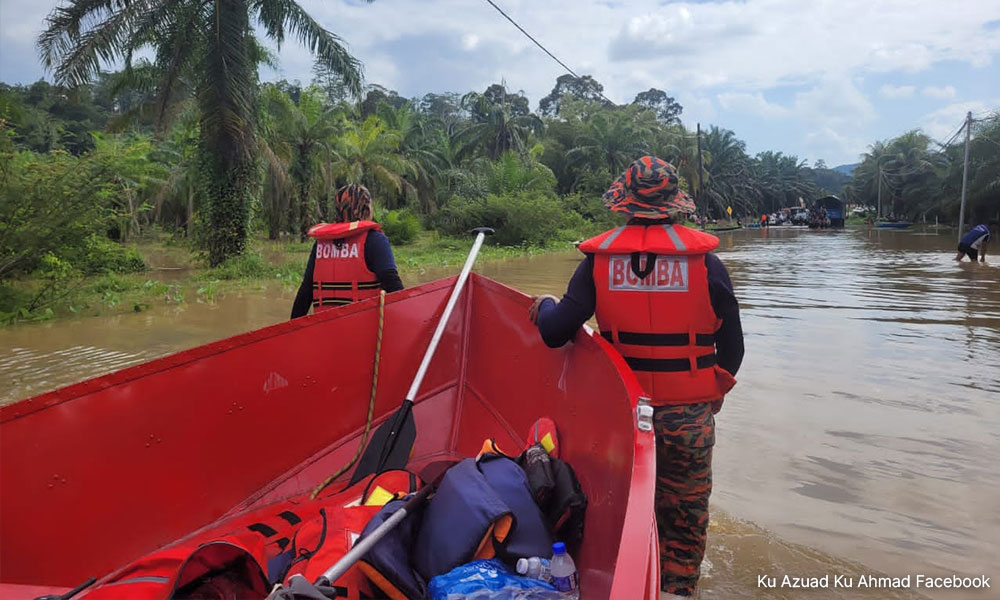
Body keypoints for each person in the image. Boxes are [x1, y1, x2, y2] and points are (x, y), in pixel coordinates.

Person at [527, 156, 744, 598]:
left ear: (624, 204)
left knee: (625, 513)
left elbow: (555, 332)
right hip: (689, 417)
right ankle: (678, 589)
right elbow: (734, 349)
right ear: (674, 204)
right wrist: (709, 390)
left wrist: (546, 303)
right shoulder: (705, 263)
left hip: (627, 420)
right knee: (684, 518)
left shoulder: (598, 260)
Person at [290, 184, 404, 319]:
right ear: (365, 208)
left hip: (326, 329)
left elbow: (306, 291)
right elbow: (393, 286)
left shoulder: (321, 243)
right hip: (364, 328)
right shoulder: (375, 240)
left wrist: (292, 328)